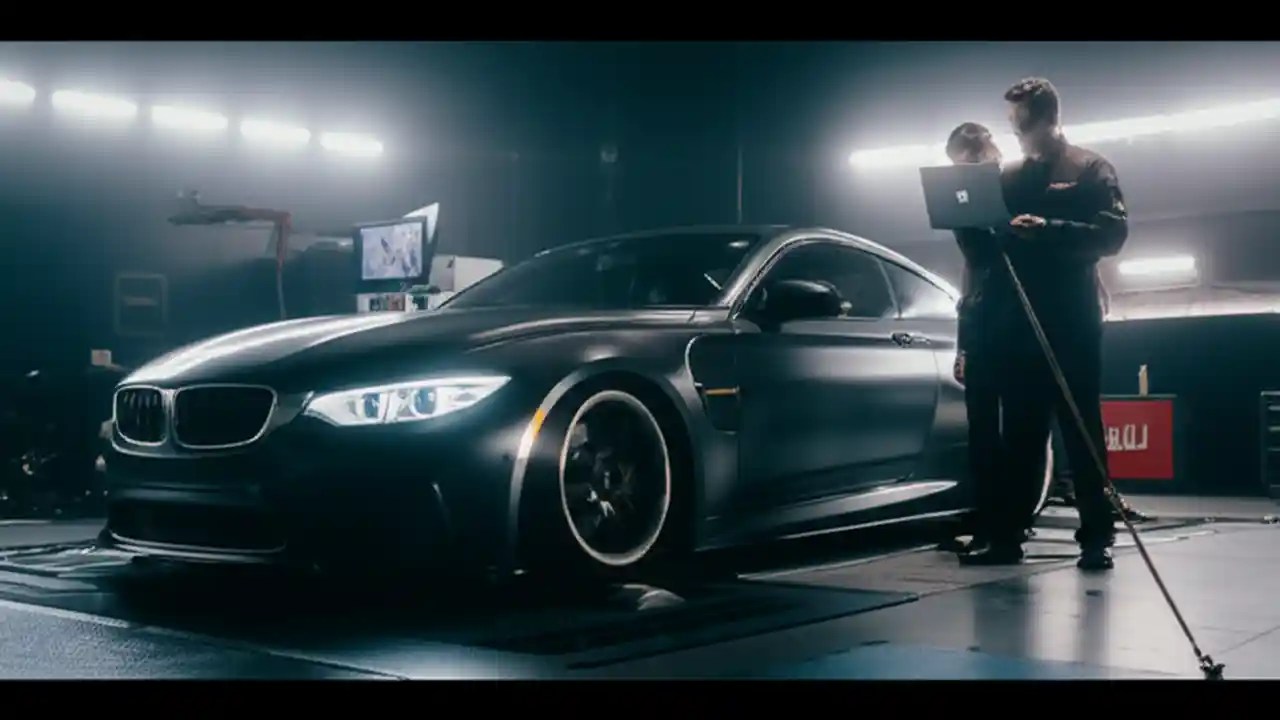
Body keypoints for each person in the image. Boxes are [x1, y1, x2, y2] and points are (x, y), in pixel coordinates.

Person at [962, 77, 1127, 571]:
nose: (1012, 131)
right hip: (1018, 324)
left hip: (1072, 323)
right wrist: (962, 217)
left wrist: (1049, 230)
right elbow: (985, 255)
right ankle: (1008, 536)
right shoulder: (1007, 178)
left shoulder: (1090, 168)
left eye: (1018, 121)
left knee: (1082, 433)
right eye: (1011, 122)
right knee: (1023, 434)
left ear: (1042, 118)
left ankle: (1097, 537)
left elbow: (1113, 234)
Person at [938, 122, 1021, 555]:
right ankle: (990, 527)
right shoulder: (960, 199)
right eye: (958, 162)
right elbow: (969, 271)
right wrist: (961, 343)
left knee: (1020, 432)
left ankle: (1010, 528)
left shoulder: (1016, 185)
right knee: (983, 433)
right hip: (981, 322)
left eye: (971, 157)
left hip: (1018, 320)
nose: (965, 166)